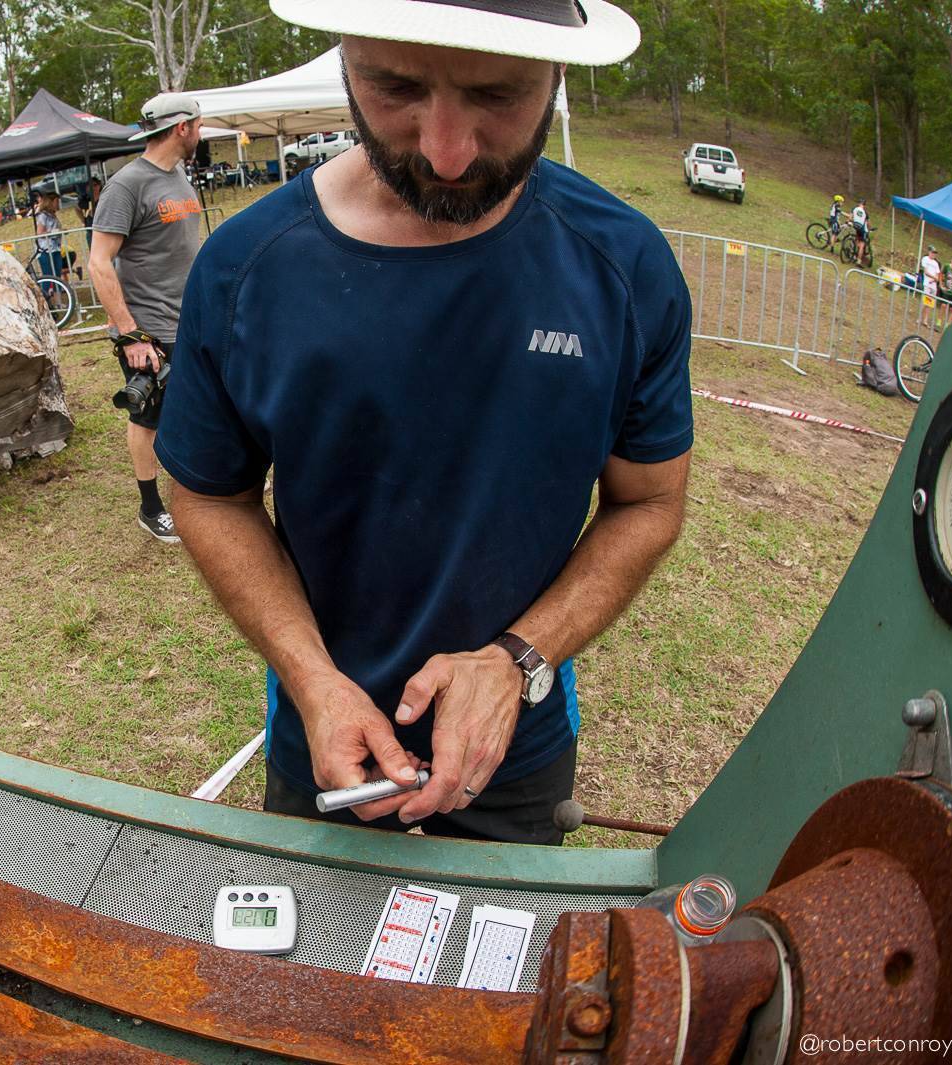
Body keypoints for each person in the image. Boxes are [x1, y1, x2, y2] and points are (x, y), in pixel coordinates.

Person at [155, 1, 691, 843]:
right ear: (344, 57)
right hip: (320, 745)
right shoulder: (247, 268)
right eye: (394, 85)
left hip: (518, 751)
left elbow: (651, 500)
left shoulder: (625, 268)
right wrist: (311, 678)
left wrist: (518, 659)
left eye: (499, 95)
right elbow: (207, 494)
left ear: (558, 74)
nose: (448, 151)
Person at [88, 93, 205, 544]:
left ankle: (198, 482)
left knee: (195, 406)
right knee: (148, 418)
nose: (199, 132)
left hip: (189, 320)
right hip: (149, 328)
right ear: (182, 128)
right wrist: (131, 334)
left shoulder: (177, 175)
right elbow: (100, 262)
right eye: (197, 125)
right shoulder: (126, 186)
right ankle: (151, 507)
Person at [918, 245, 942, 330]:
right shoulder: (925, 259)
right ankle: (920, 318)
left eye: (935, 253)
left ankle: (925, 320)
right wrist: (934, 278)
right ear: (929, 252)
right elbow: (925, 272)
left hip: (933, 284)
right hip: (927, 283)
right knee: (925, 301)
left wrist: (935, 279)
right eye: (932, 252)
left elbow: (938, 274)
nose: (933, 254)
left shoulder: (936, 263)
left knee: (930, 303)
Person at [851, 199, 871, 266]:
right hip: (862, 229)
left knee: (857, 241)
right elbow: (868, 223)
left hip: (855, 226)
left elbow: (851, 217)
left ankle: (853, 256)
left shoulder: (855, 208)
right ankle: (858, 261)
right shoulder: (865, 212)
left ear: (859, 203)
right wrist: (869, 229)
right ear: (864, 205)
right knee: (862, 246)